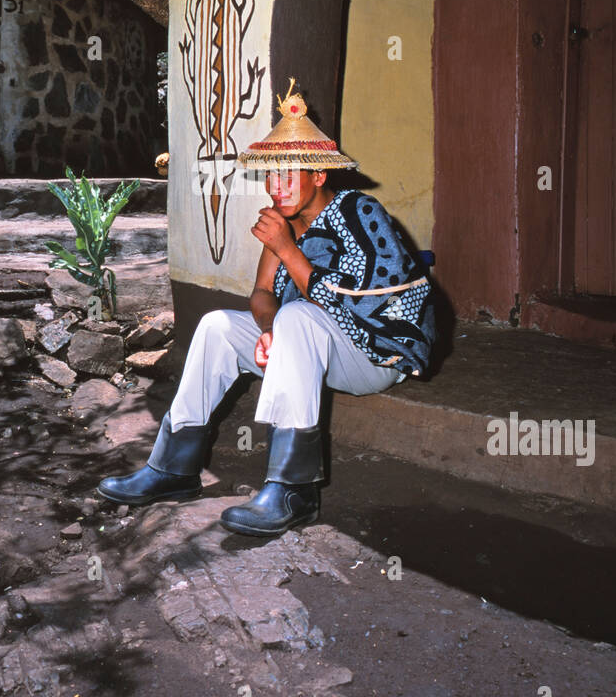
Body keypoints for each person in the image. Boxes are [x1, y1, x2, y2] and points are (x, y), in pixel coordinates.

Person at [97, 80, 435, 536]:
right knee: (217, 325)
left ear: (319, 175)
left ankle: (294, 490)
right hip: (306, 342)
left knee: (299, 316)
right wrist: (270, 328)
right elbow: (261, 294)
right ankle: (173, 468)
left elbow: (362, 299)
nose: (278, 187)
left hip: (373, 353)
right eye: (272, 175)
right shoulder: (282, 223)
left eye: (290, 174)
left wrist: (286, 251)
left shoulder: (359, 212)